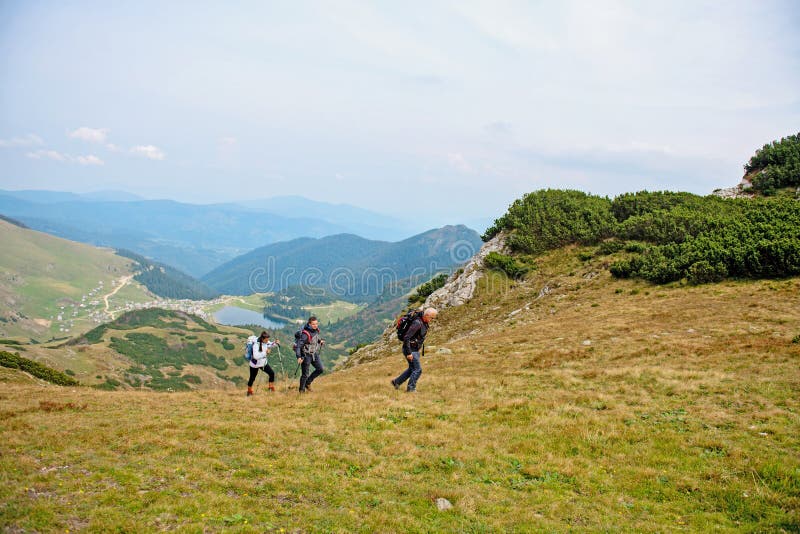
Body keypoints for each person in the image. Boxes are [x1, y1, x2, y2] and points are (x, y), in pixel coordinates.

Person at [391, 307, 438, 392]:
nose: (432, 320)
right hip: (410, 350)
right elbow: (406, 337)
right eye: (432, 318)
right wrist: (409, 353)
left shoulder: (423, 321)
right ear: (427, 315)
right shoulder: (417, 323)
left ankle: (396, 382)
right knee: (417, 370)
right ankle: (411, 389)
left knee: (412, 369)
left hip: (414, 349)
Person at [296, 316, 325, 393]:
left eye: (316, 324)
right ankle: (301, 391)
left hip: (314, 354)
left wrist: (319, 341)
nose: (315, 325)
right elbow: (298, 346)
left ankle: (308, 383)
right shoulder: (305, 334)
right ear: (309, 324)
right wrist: (299, 357)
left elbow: (314, 338)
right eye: (313, 324)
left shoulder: (315, 330)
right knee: (305, 374)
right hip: (306, 355)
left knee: (320, 369)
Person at [247, 331, 279, 396]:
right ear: (262, 339)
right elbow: (256, 356)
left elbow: (270, 344)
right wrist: (265, 353)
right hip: (255, 364)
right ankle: (249, 391)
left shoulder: (265, 342)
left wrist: (275, 343)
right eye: (266, 340)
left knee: (271, 373)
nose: (267, 341)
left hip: (263, 363)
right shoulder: (256, 345)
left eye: (268, 339)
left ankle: (271, 387)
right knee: (252, 378)